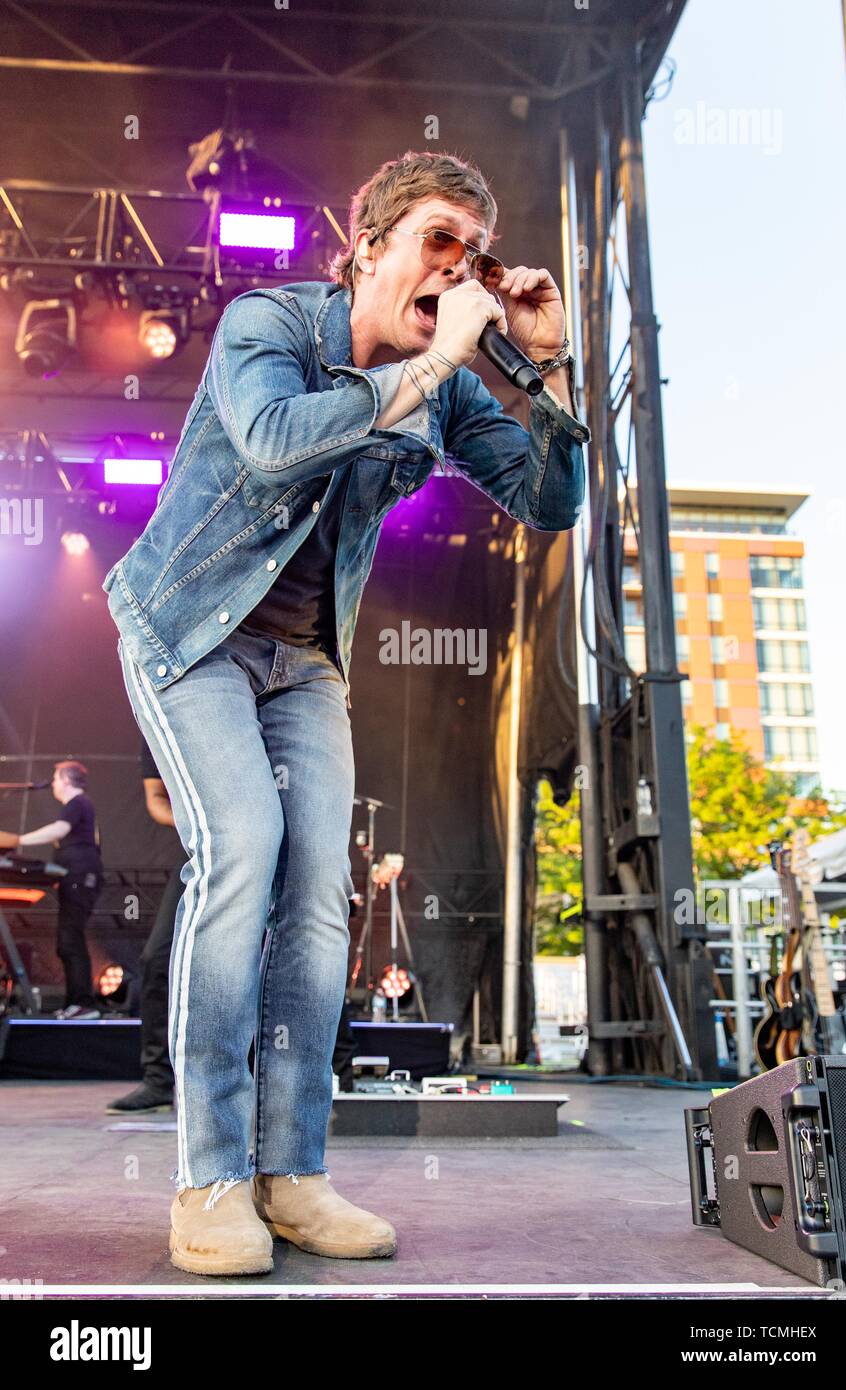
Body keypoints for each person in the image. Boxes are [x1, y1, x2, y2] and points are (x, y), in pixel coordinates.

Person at [101, 149, 588, 1276]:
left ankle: (292, 1172)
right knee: (246, 852)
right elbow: (276, 440)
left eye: (475, 249)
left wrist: (547, 373)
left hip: (307, 660)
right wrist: (437, 368)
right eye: (437, 240)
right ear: (368, 249)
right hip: (190, 634)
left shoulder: (453, 380)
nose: (459, 267)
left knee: (321, 896)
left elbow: (548, 501)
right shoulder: (267, 321)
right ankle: (211, 1177)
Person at [106, 736, 185, 1115]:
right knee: (158, 959)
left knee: (292, 955)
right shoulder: (156, 719)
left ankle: (339, 1071)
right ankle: (157, 1082)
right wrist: (196, 821)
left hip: (265, 843)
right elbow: (157, 799)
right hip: (200, 850)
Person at [0, 761, 103, 1019]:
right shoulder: (82, 807)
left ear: (66, 780)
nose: (53, 785)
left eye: (56, 779)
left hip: (81, 876)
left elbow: (60, 830)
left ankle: (84, 1004)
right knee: (67, 941)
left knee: (71, 940)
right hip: (77, 876)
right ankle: (75, 1004)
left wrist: (19, 840)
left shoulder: (77, 803)